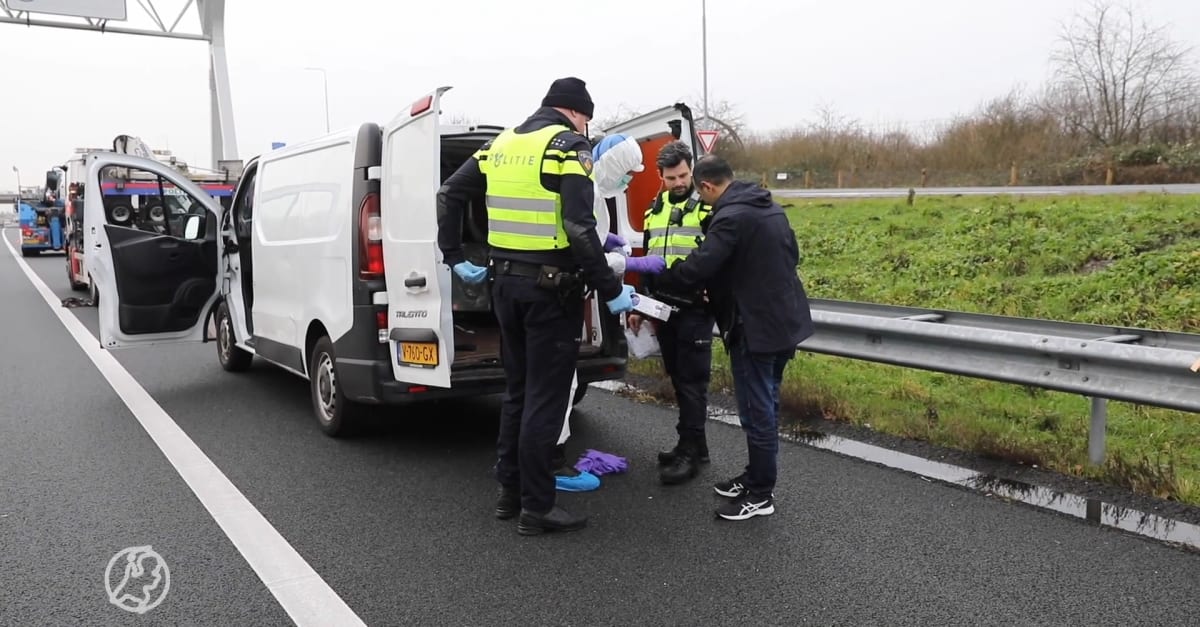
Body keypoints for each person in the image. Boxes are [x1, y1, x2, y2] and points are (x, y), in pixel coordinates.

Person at [436, 77, 638, 535]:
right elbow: (580, 229)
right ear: (576, 112)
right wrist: (610, 290)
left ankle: (509, 492)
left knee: (518, 392)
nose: (587, 126)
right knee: (546, 401)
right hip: (551, 292)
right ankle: (537, 507)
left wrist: (453, 256)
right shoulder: (568, 147)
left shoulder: (501, 144)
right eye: (587, 118)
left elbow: (449, 194)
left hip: (503, 287)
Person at [654, 154, 814, 521]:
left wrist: (657, 276)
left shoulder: (730, 216)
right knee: (767, 403)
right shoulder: (765, 206)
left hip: (755, 328)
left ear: (706, 186)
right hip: (784, 322)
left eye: (700, 192)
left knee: (757, 411)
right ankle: (755, 476)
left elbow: (700, 265)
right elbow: (791, 254)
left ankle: (760, 494)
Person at [551, 132, 653, 491]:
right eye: (626, 172)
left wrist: (606, 242)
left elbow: (586, 235)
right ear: (610, 163)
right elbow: (581, 247)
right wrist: (615, 263)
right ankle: (551, 465)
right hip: (559, 297)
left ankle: (531, 461)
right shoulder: (587, 189)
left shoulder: (591, 189)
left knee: (553, 383)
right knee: (559, 383)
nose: (627, 181)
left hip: (556, 295)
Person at [626, 140, 716, 486]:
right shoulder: (655, 206)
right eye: (671, 177)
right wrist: (642, 306)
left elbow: (722, 254)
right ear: (659, 176)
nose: (679, 182)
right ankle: (697, 444)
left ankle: (688, 452)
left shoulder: (705, 207)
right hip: (662, 306)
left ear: (691, 169)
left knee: (693, 383)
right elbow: (650, 257)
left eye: (684, 175)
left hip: (694, 307)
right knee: (678, 378)